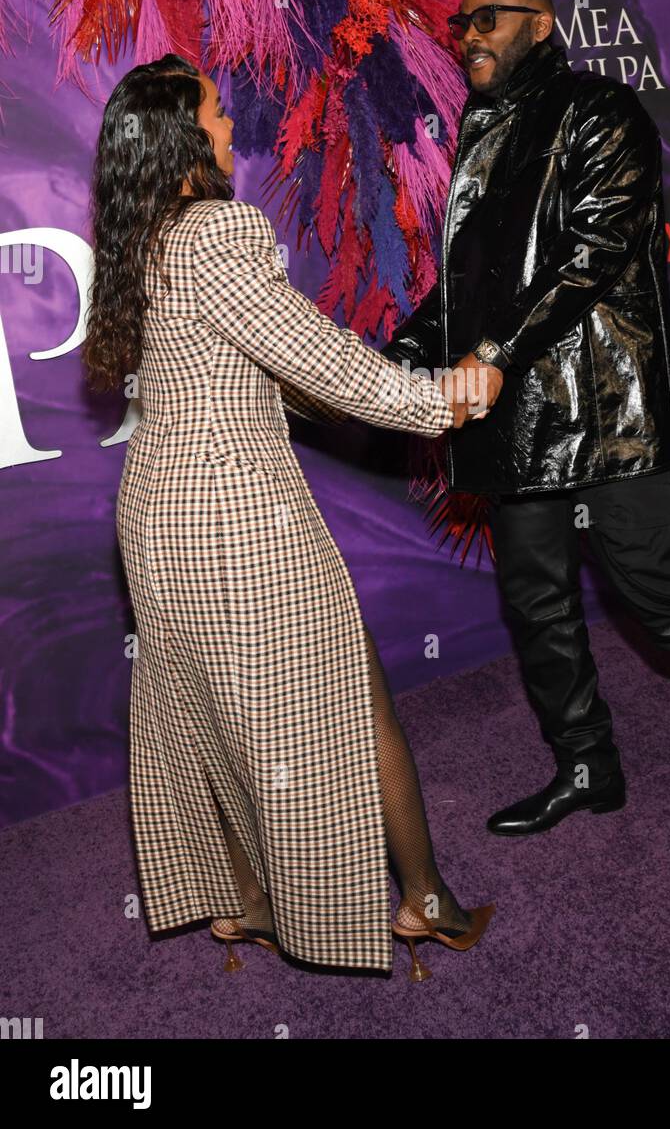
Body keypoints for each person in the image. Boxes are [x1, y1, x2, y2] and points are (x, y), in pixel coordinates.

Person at [382, 0, 670, 835]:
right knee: (536, 602)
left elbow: (593, 251)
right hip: (518, 423)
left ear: (542, 26)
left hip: (606, 410)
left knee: (667, 610)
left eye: (491, 18)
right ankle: (586, 762)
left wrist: (492, 351)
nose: (470, 34)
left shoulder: (600, 111)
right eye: (461, 22)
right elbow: (470, 288)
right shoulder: (480, 132)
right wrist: (401, 350)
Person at [81, 53, 494, 981]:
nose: (232, 129)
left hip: (156, 519)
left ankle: (258, 901)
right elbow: (319, 362)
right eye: (218, 115)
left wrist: (390, 387)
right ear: (185, 136)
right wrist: (442, 400)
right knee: (344, 705)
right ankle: (422, 901)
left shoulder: (143, 240)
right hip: (236, 519)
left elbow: (255, 370)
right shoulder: (216, 233)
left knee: (206, 714)